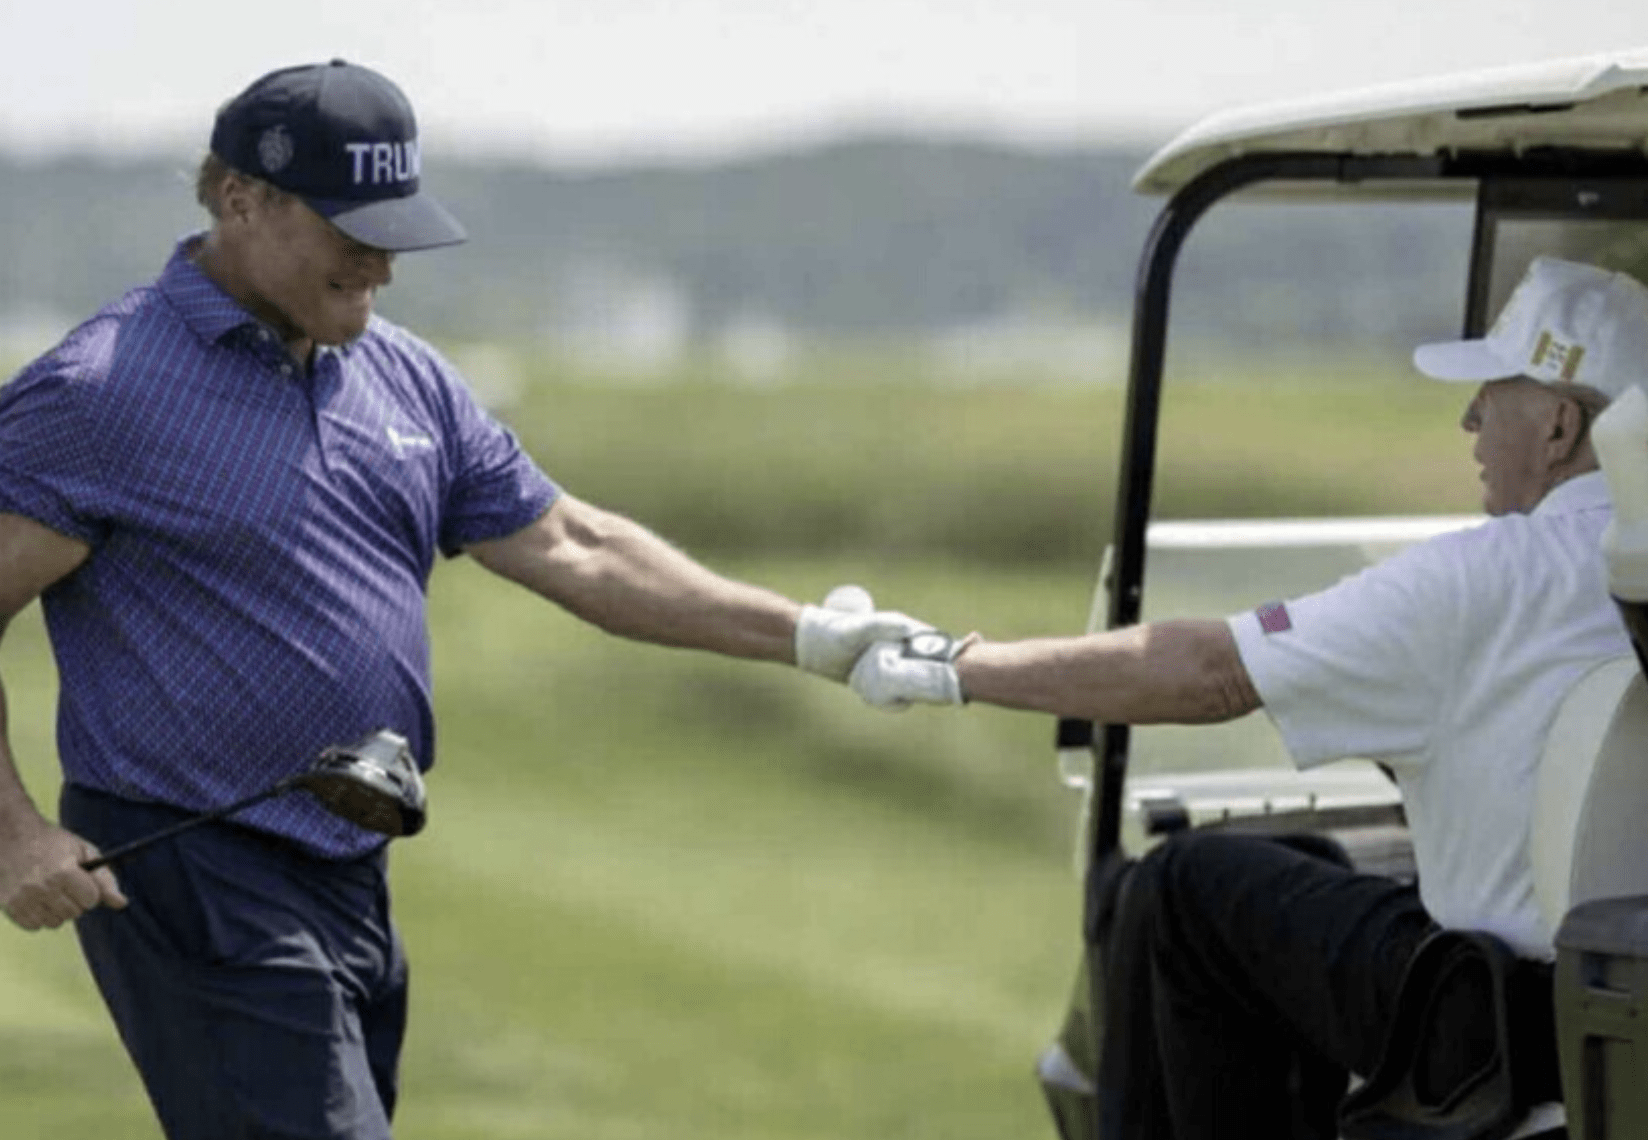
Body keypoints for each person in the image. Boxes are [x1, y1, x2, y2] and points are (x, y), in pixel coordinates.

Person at [0, 61, 930, 1140]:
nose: (381, 263)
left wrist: (813, 637)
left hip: (352, 861)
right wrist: (14, 834)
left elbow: (573, 546)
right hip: (192, 857)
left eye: (394, 228)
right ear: (239, 199)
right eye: (351, 226)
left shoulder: (407, 380)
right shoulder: (101, 392)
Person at [850, 255, 1648, 1139]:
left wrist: (961, 666)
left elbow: (1212, 673)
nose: (1469, 417)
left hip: (1491, 1028)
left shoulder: (1481, 578)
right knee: (1312, 859)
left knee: (1185, 890)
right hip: (1610, 1015)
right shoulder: (1620, 580)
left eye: (1491, 395)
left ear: (1560, 427)